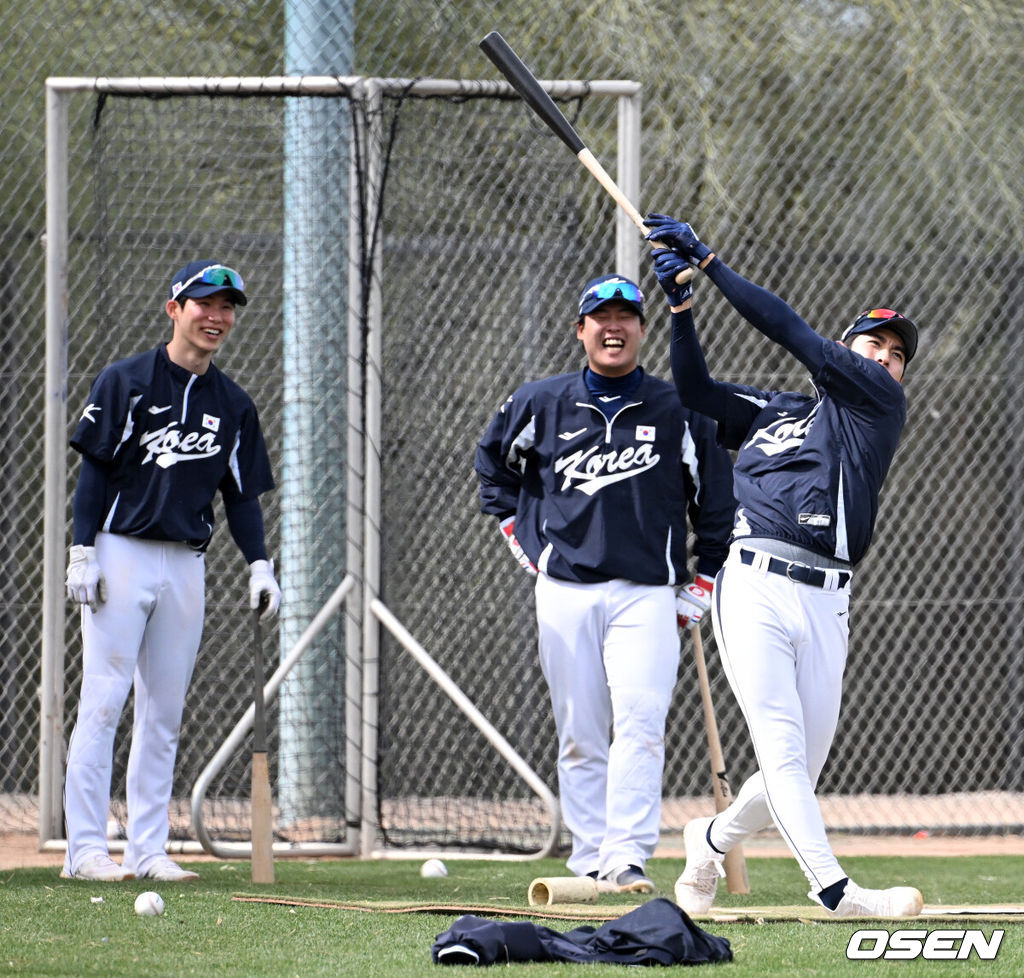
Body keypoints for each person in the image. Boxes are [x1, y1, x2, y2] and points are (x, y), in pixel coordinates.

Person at [643, 213, 924, 918]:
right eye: (875, 343)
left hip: (829, 598)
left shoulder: (876, 403)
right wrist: (680, 308)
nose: (887, 357)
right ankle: (835, 890)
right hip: (755, 585)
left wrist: (708, 261)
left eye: (897, 351)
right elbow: (699, 392)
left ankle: (709, 839)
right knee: (783, 751)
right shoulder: (777, 410)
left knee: (791, 773)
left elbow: (790, 331)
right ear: (849, 344)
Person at [474, 273, 735, 892]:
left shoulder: (679, 409)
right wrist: (522, 541)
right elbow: (492, 469)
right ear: (581, 329)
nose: (612, 327)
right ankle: (588, 856)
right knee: (580, 733)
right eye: (600, 317)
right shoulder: (540, 401)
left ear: (642, 330)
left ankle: (627, 857)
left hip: (649, 594)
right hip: (564, 591)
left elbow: (716, 503)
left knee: (642, 725)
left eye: (626, 317)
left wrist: (705, 580)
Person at [61, 261, 282, 883]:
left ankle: (149, 850)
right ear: (173, 309)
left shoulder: (234, 404)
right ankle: (84, 851)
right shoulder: (125, 380)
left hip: (186, 562)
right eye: (203, 304)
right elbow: (95, 473)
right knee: (103, 701)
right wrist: (83, 550)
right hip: (121, 552)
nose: (216, 317)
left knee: (165, 712)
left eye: (227, 307)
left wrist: (260, 564)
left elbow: (240, 497)